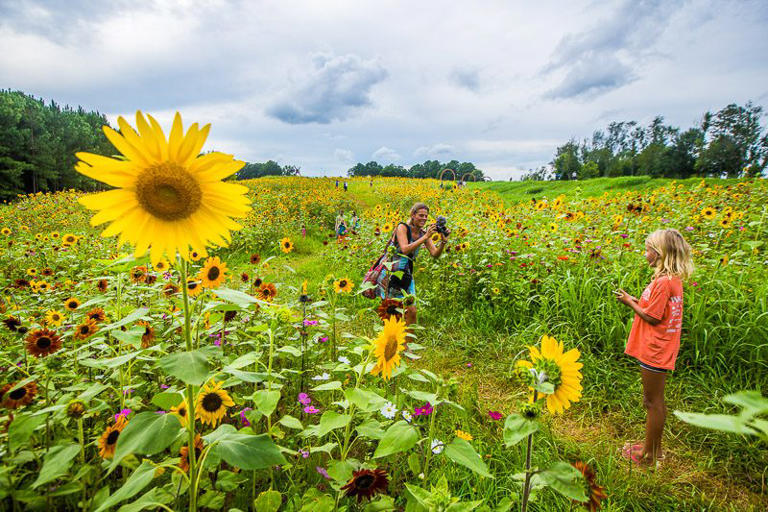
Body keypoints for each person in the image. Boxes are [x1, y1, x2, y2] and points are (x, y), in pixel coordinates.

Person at [615, 228, 693, 466]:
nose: (645, 253)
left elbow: (653, 317)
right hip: (660, 346)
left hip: (655, 349)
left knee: (652, 402)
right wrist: (638, 301)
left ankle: (648, 456)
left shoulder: (663, 283)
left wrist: (630, 303)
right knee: (654, 401)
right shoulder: (671, 281)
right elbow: (657, 310)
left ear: (660, 253)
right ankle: (653, 449)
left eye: (648, 249)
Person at [377, 202, 449, 326]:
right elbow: (404, 249)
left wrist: (443, 241)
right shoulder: (402, 227)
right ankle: (390, 341)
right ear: (413, 215)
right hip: (390, 271)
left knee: (412, 311)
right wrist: (426, 236)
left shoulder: (423, 233)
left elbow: (435, 254)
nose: (424, 218)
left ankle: (408, 344)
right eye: (421, 215)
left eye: (426, 216)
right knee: (391, 312)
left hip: (406, 275)